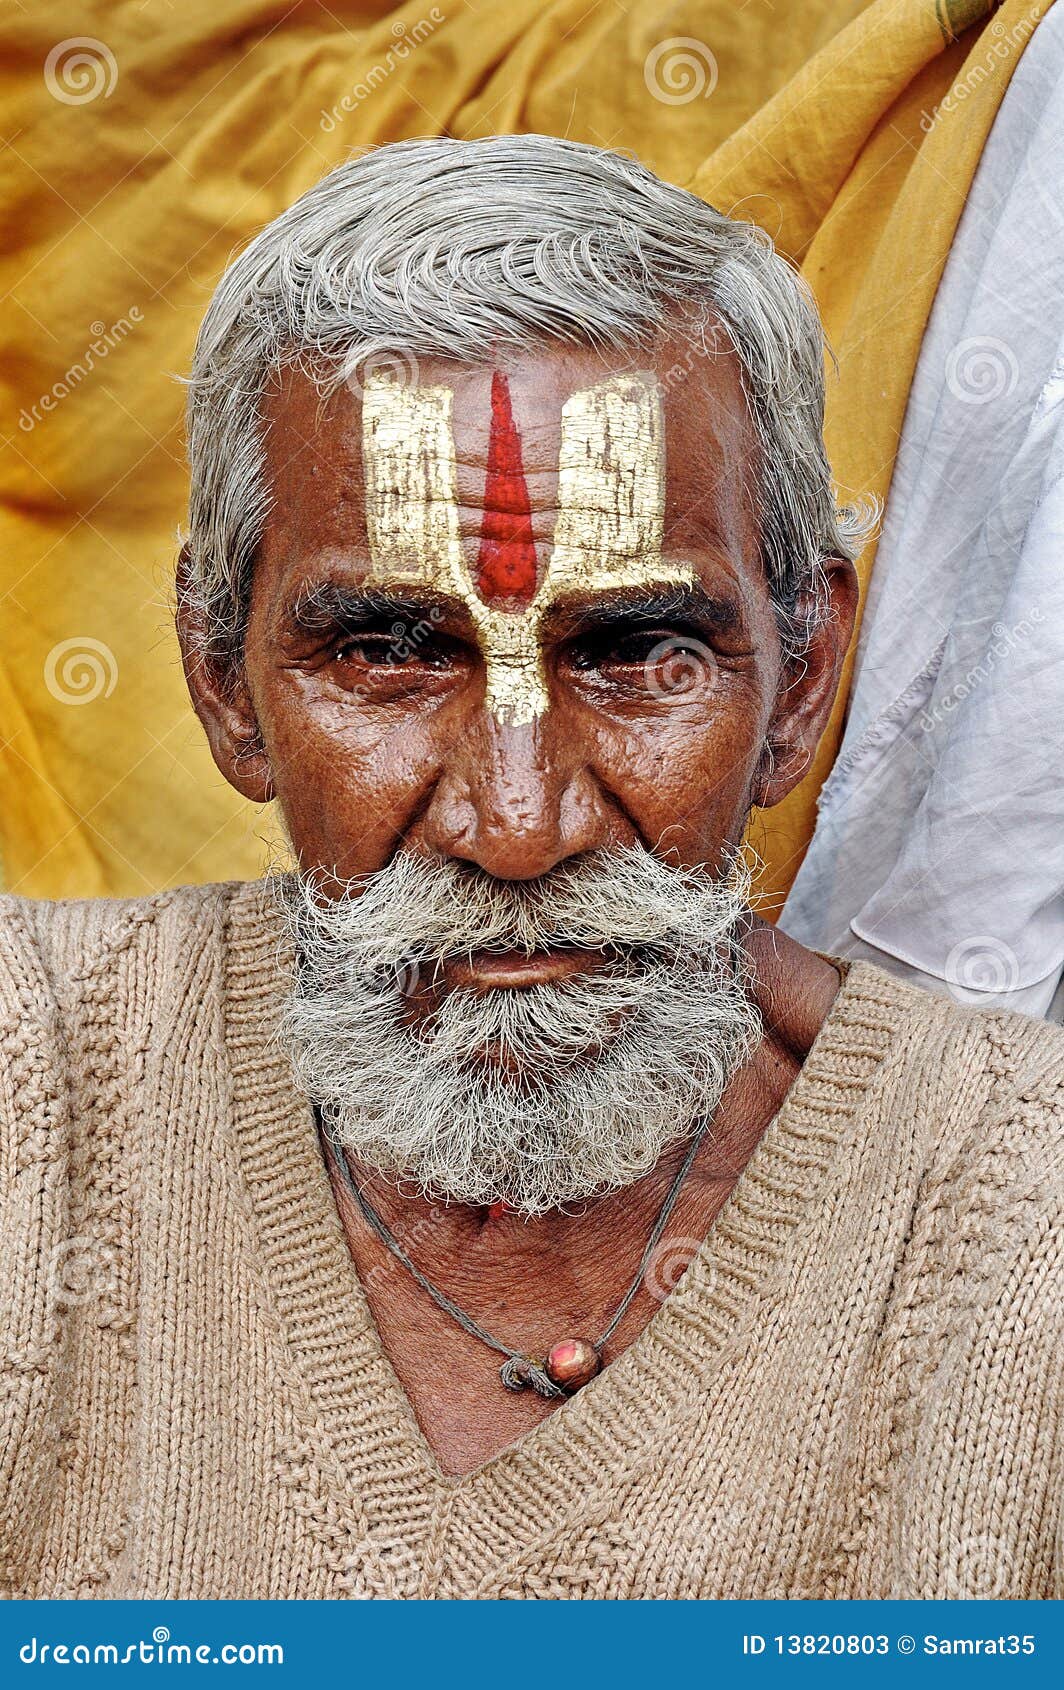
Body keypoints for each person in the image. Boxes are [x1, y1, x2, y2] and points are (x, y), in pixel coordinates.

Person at [1, 136, 1059, 1601]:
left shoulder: (1027, 1210)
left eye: (637, 652)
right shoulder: (32, 1089)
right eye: (387, 652)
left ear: (802, 681)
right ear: (225, 683)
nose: (514, 825)